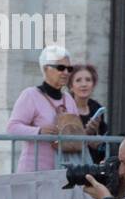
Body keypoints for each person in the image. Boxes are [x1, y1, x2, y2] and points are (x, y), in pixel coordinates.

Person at [7, 44, 77, 172]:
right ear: (46, 69)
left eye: (69, 68)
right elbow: (12, 127)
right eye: (60, 67)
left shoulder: (69, 99)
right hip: (34, 172)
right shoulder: (30, 95)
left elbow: (76, 130)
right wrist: (39, 132)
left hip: (63, 170)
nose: (66, 72)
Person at [66, 63, 108, 164]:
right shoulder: (66, 106)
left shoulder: (96, 107)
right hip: (72, 164)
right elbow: (66, 141)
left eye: (88, 80)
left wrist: (99, 141)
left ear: (93, 85)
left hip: (94, 163)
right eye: (78, 80)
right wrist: (87, 134)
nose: (84, 84)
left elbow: (103, 135)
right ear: (71, 86)